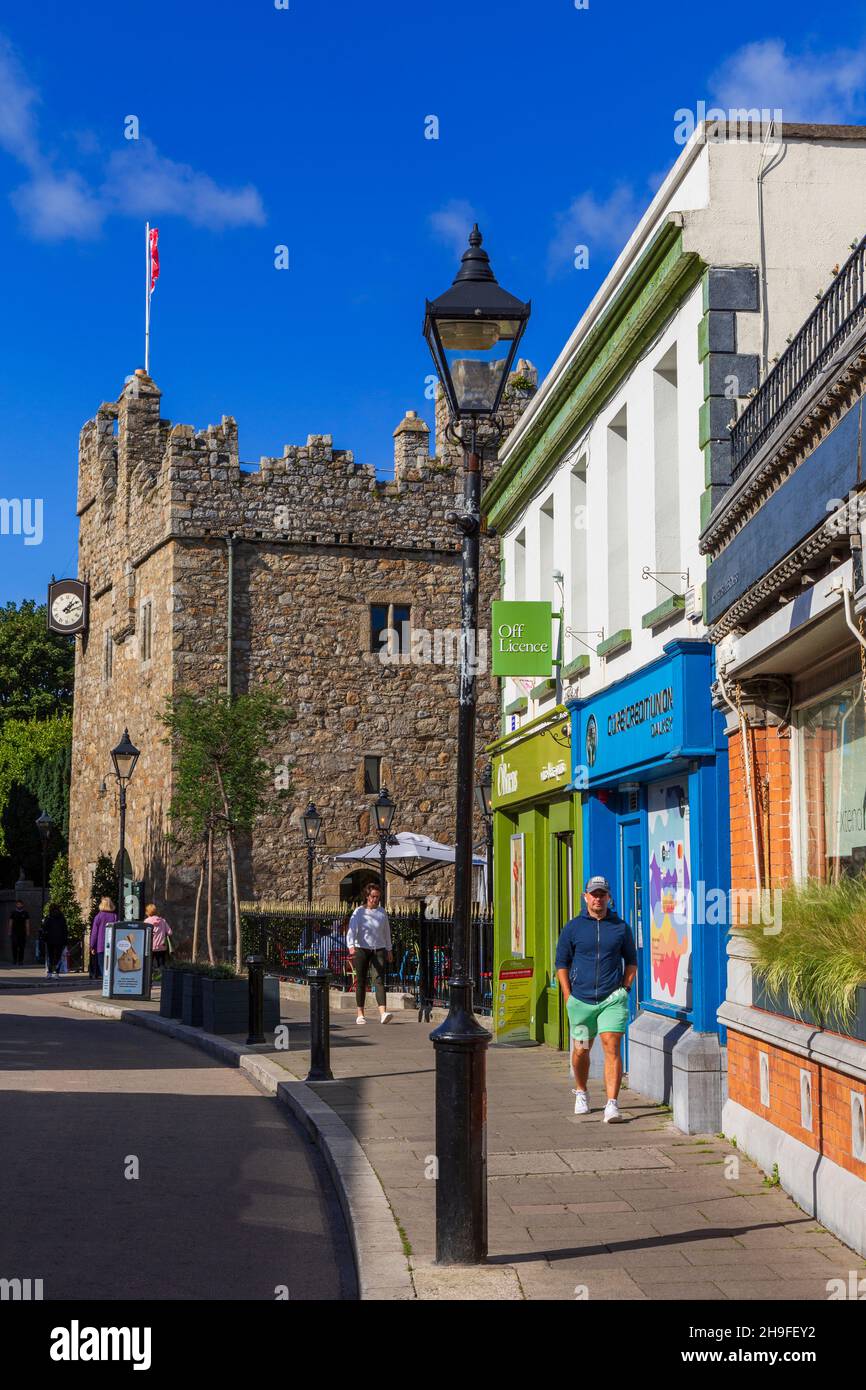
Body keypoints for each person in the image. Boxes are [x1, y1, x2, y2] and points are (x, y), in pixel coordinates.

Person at [555, 875, 638, 1123]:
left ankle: (612, 1104)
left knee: (612, 1046)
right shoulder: (573, 928)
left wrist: (625, 988)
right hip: (580, 1002)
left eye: (602, 894)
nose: (598, 898)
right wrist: (569, 996)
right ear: (585, 897)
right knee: (581, 1050)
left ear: (608, 897)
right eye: (594, 894)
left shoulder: (620, 927)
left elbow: (631, 961)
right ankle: (581, 1091)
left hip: (612, 998)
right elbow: (561, 964)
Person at [346, 882, 393, 1024]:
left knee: (379, 980)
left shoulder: (382, 912)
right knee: (361, 981)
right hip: (361, 949)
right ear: (367, 896)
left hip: (378, 949)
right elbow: (352, 930)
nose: (375, 899)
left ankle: (383, 1013)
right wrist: (351, 946)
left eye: (378, 897)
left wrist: (389, 949)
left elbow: (386, 932)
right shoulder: (359, 912)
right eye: (373, 896)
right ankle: (360, 1013)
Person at [89, 897, 117, 979]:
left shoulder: (98, 916)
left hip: (100, 946)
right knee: (111, 965)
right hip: (112, 945)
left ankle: (106, 982)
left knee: (103, 966)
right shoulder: (114, 916)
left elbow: (94, 933)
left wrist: (92, 946)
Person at [41, 903, 68, 980]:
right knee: (58, 956)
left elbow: (44, 929)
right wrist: (65, 941)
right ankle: (56, 973)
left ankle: (49, 972)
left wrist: (44, 938)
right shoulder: (62, 918)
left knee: (50, 956)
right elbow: (65, 930)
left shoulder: (48, 917)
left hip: (50, 940)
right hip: (60, 940)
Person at [144, 903, 172, 972]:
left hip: (150, 947)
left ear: (148, 912)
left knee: (148, 965)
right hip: (161, 947)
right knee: (161, 965)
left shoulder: (146, 921)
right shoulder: (163, 921)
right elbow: (170, 932)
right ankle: (162, 978)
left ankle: (150, 978)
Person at [8, 900, 29, 966]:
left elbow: (27, 923)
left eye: (20, 904)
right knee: (14, 946)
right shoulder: (13, 913)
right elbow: (10, 922)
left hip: (22, 932)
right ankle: (14, 960)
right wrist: (9, 931)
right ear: (16, 905)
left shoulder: (25, 913)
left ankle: (20, 961)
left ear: (22, 905)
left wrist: (28, 931)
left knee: (22, 947)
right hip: (14, 932)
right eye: (18, 904)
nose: (19, 905)